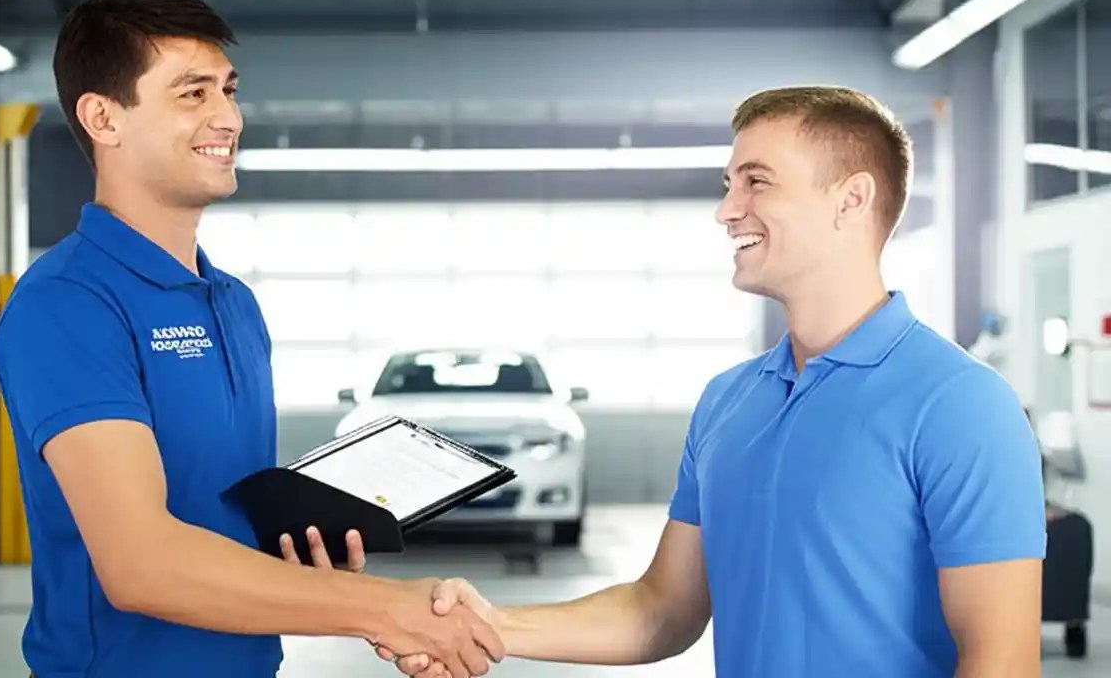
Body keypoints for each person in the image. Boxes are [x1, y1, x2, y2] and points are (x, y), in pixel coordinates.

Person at [380, 86, 1048, 678]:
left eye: (756, 182)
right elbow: (660, 611)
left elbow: (1003, 662)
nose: (727, 210)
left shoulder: (960, 404)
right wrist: (489, 626)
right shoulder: (730, 400)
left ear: (852, 199)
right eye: (729, 183)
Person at [0, 0, 502, 678]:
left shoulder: (232, 302)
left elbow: (214, 503)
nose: (228, 116)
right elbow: (141, 566)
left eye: (229, 90)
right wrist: (381, 608)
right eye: (193, 93)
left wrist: (303, 550)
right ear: (104, 119)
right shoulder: (67, 304)